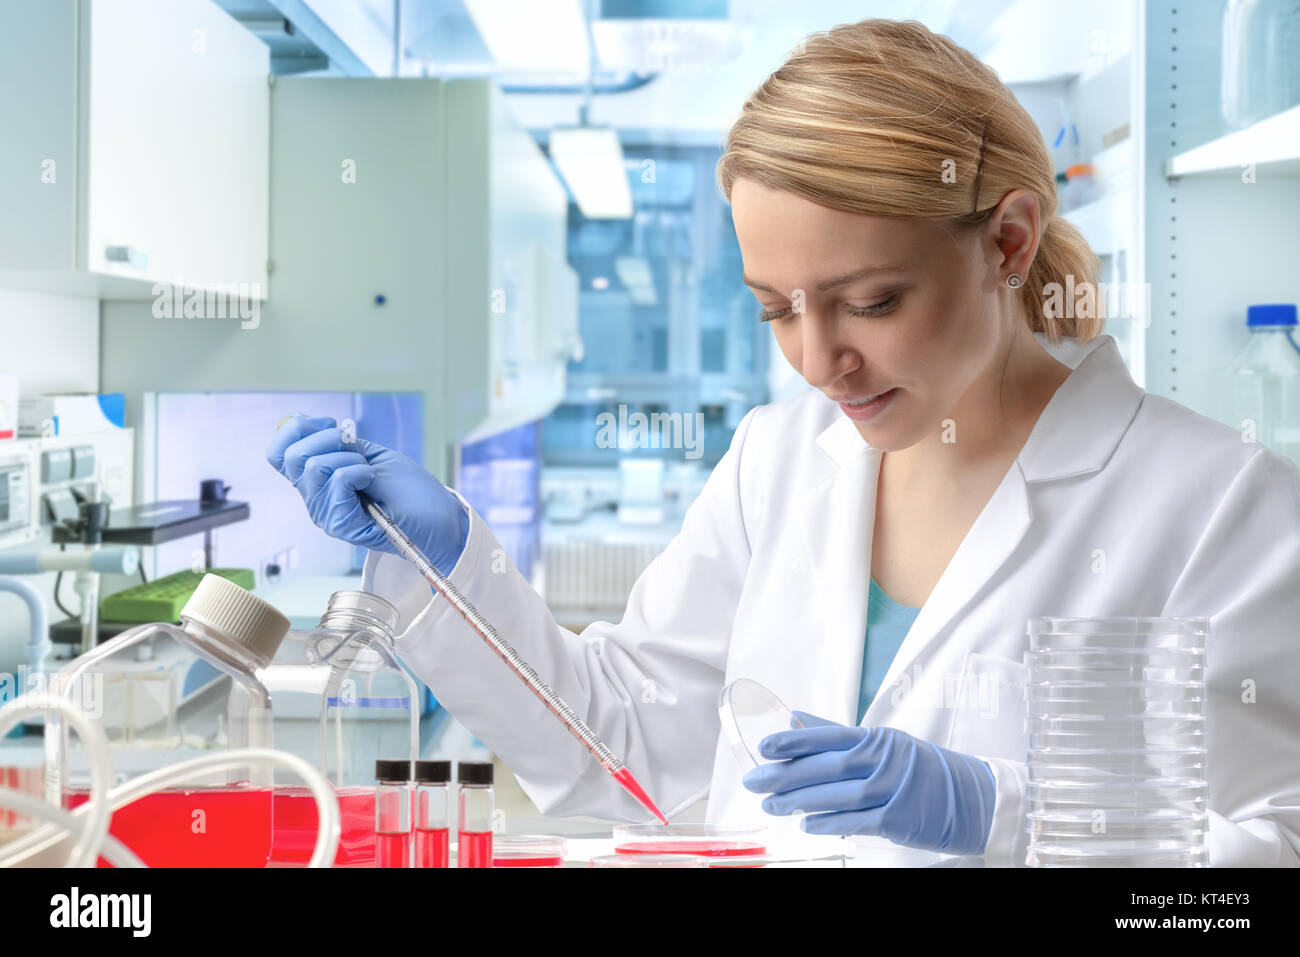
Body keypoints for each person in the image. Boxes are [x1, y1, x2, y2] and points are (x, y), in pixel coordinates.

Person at [266, 19, 1300, 865]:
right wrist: (453, 572)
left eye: (872, 302)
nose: (819, 361)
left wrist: (1000, 815)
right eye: (775, 311)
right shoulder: (778, 461)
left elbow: (1268, 850)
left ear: (1009, 243)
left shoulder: (1220, 506)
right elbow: (625, 749)